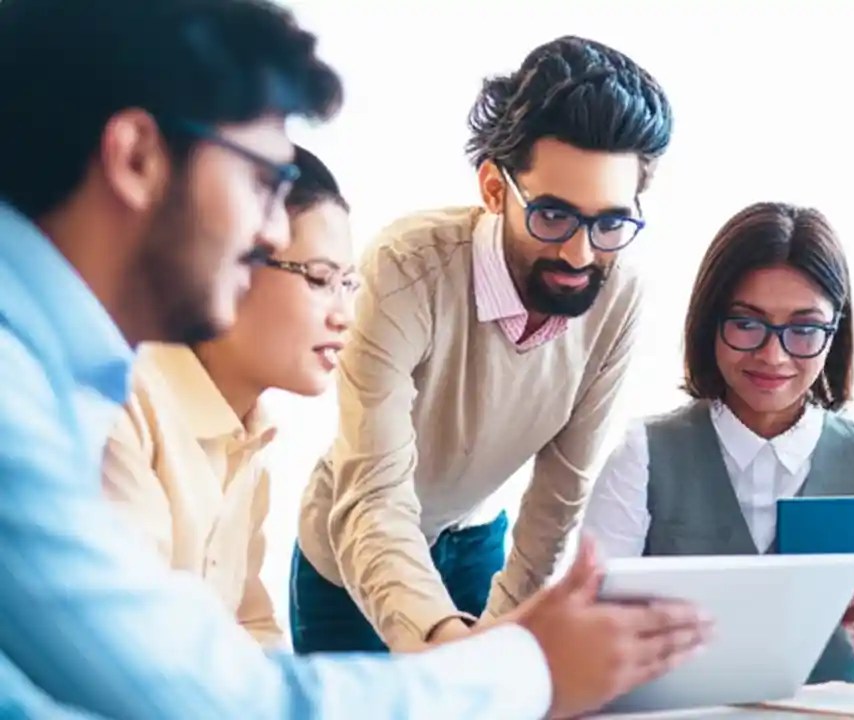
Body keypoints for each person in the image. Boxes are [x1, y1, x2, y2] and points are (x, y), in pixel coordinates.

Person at [0, 1, 705, 718]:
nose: (275, 230)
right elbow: (206, 696)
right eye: (263, 182)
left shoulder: (70, 380)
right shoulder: (22, 403)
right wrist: (529, 670)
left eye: (610, 223)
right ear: (137, 159)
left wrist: (516, 652)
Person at [290, 35, 672, 653]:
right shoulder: (405, 269)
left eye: (609, 223)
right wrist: (438, 638)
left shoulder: (618, 295)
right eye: (553, 215)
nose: (580, 253)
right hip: (351, 555)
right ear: (495, 190)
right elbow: (375, 497)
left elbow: (559, 494)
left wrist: (502, 639)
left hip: (476, 549)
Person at [584, 202, 854, 690]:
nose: (773, 354)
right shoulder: (645, 453)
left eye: (804, 329)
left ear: (835, 334)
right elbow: (582, 639)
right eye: (746, 323)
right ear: (709, 322)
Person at [100, 146, 356, 646]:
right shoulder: (124, 404)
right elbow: (138, 650)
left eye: (350, 284)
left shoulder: (249, 444)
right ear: (234, 258)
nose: (344, 314)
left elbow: (251, 628)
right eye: (321, 279)